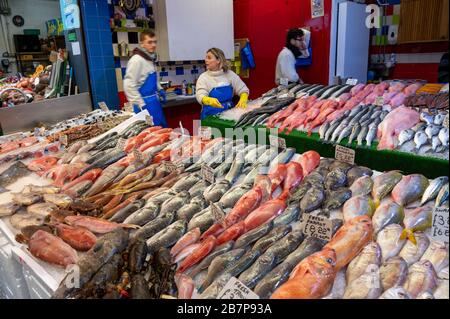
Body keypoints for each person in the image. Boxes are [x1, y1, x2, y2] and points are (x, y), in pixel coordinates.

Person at [123, 29, 167, 127]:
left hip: (154, 103)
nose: (153, 45)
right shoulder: (136, 60)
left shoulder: (150, 58)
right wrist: (141, 104)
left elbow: (153, 79)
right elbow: (128, 85)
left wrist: (160, 89)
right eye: (150, 42)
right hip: (144, 105)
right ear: (142, 44)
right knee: (149, 135)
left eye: (155, 42)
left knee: (161, 132)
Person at [196, 48, 249, 120]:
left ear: (218, 60)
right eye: (206, 57)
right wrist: (207, 100)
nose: (206, 60)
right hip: (208, 117)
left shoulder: (230, 74)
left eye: (209, 58)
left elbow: (243, 89)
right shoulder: (203, 77)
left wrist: (243, 98)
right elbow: (200, 95)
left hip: (228, 115)